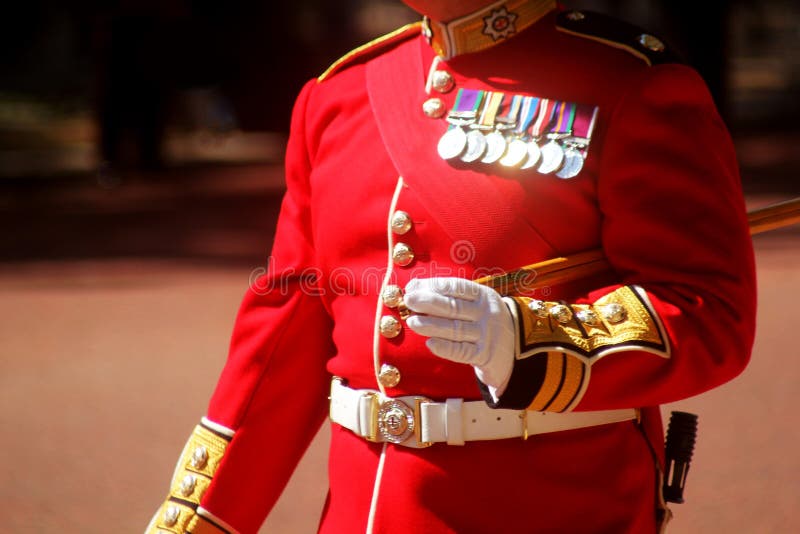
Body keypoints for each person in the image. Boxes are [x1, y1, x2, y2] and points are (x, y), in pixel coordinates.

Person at [146, 1, 756, 532]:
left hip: (553, 507)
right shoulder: (338, 94)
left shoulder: (628, 82)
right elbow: (281, 345)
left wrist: (532, 339)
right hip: (363, 510)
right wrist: (200, 519)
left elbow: (707, 309)